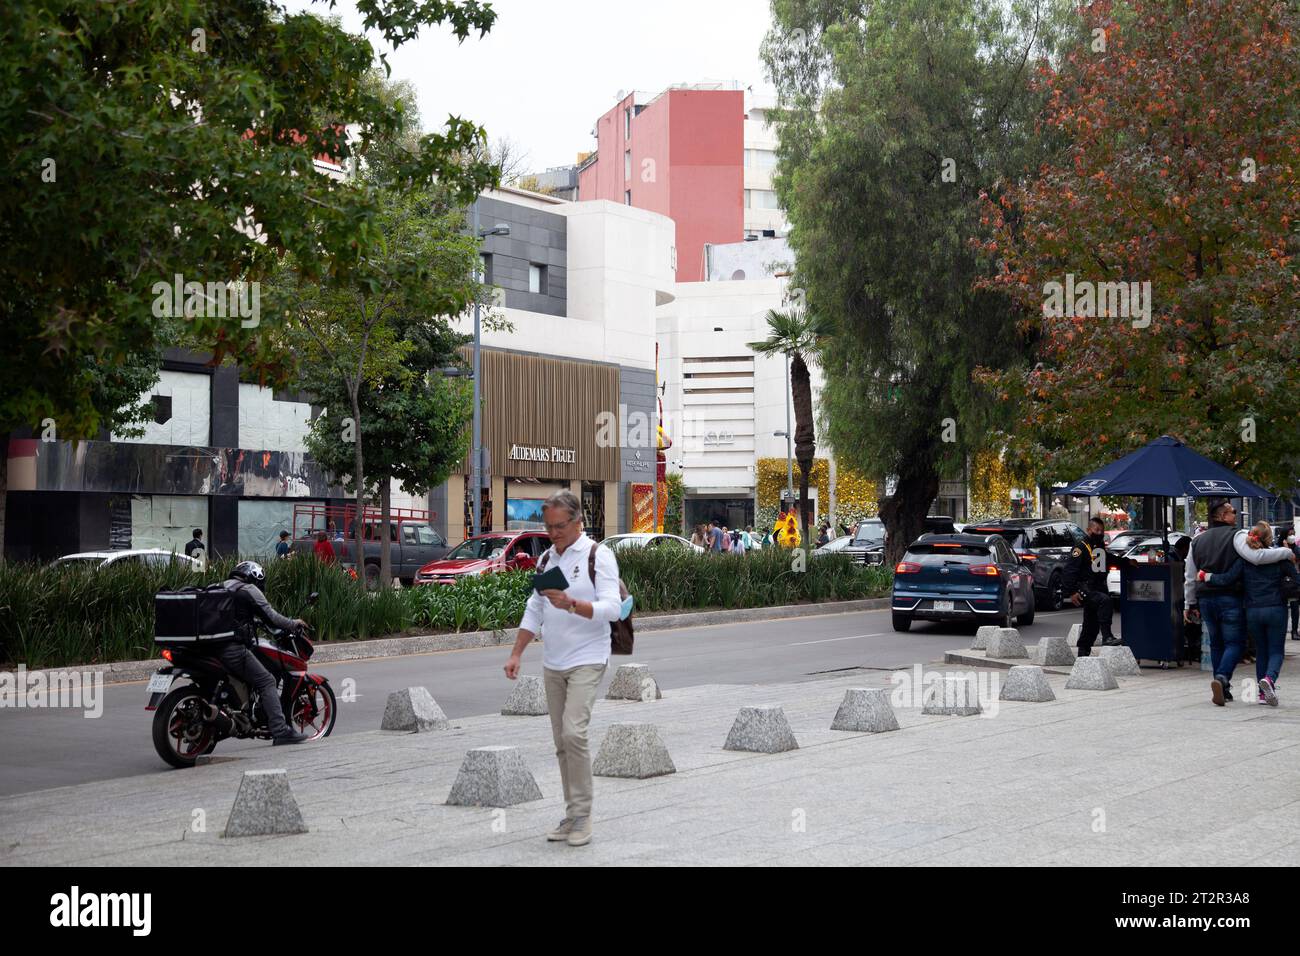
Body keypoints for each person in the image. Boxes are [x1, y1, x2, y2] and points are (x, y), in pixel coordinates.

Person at [504, 490, 621, 848]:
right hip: (553, 662)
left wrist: (573, 605)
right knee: (560, 743)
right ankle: (571, 812)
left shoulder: (597, 556)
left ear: (576, 522)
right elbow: (534, 610)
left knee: (574, 734)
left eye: (558, 526)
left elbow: (613, 609)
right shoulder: (544, 561)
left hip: (588, 657)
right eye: (548, 526)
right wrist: (517, 653)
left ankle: (583, 815)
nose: (552, 533)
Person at [1184, 498, 1296, 706]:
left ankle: (1223, 689)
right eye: (1232, 511)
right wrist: (1287, 552)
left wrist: (1189, 604)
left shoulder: (1196, 540)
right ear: (1221, 516)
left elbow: (1189, 575)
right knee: (1235, 643)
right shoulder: (1236, 536)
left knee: (1217, 643)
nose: (1236, 515)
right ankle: (1223, 678)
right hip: (1231, 598)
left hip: (1206, 599)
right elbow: (1257, 557)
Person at [217, 561, 310, 745]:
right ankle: (280, 730)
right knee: (267, 681)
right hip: (232, 648)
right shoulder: (249, 589)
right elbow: (272, 616)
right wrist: (294, 623)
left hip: (210, 646)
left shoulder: (221, 587)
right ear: (256, 577)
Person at [1062, 516, 1119, 655]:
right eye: (1096, 530)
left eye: (1102, 530)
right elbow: (1069, 570)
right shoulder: (1081, 547)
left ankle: (1083, 655)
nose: (1099, 533)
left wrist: (1126, 562)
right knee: (1105, 601)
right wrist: (1072, 591)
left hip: (1097, 587)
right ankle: (1107, 637)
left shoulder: (1099, 546)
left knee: (1091, 625)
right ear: (1089, 530)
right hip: (1085, 588)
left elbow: (1109, 559)